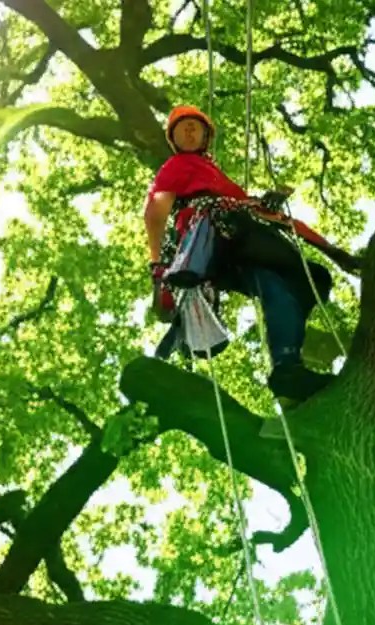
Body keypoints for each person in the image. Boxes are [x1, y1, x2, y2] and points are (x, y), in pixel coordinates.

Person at [143, 105, 362, 405]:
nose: (191, 130)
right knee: (290, 276)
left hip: (239, 240)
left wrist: (332, 251)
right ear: (174, 138)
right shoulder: (178, 166)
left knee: (292, 283)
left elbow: (282, 222)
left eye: (196, 126)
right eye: (183, 127)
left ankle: (288, 372)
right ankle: (287, 367)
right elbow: (155, 211)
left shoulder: (225, 184)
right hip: (218, 235)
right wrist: (158, 268)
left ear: (207, 136)